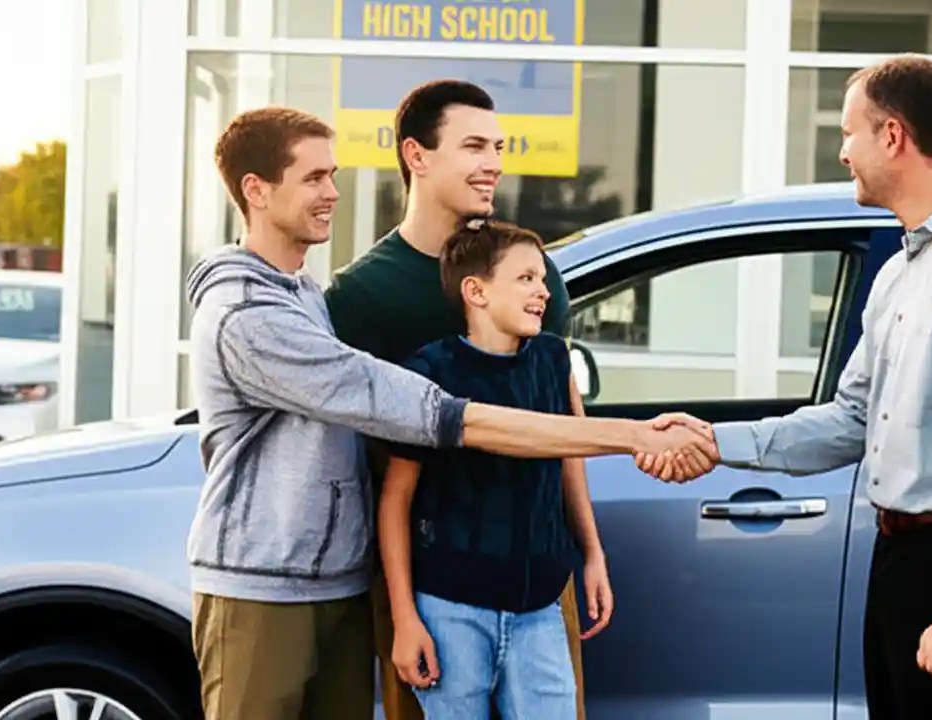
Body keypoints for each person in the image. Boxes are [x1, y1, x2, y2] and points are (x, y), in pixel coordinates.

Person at [185, 105, 715, 720]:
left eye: (333, 175)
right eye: (314, 179)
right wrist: (632, 435)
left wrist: (587, 544)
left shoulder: (302, 291)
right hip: (266, 584)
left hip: (340, 579)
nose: (334, 193)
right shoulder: (249, 315)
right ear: (256, 190)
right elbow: (424, 411)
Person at [639, 55, 932, 719]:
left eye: (849, 133)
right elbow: (851, 420)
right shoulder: (903, 271)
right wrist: (711, 440)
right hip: (900, 559)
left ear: (893, 136)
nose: (842, 152)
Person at [323, 80, 599, 720]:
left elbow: (561, 423)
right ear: (416, 155)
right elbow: (368, 464)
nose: (494, 163)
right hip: (429, 591)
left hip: (537, 579)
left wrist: (589, 549)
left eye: (498, 146)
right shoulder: (363, 295)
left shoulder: (532, 273)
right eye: (474, 145)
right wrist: (402, 608)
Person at [380, 219, 593, 719]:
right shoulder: (430, 374)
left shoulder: (552, 361)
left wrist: (593, 554)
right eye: (526, 279)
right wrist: (405, 618)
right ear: (475, 291)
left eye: (542, 279)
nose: (543, 291)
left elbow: (571, 460)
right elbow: (395, 501)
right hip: (450, 612)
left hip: (538, 611)